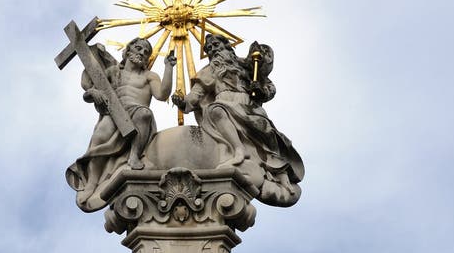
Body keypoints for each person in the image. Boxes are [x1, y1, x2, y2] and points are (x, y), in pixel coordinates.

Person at [172, 34, 304, 206]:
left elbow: (269, 87)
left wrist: (260, 89)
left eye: (216, 45)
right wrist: (183, 103)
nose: (213, 50)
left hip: (249, 107)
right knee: (216, 110)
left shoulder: (246, 65)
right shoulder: (209, 70)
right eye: (209, 48)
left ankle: (281, 175)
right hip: (223, 103)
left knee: (267, 132)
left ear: (227, 46)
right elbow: (195, 95)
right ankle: (238, 150)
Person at [67, 39, 176, 210]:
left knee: (144, 114)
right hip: (113, 113)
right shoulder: (113, 72)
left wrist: (169, 68)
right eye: (138, 48)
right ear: (128, 50)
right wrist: (94, 92)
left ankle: (134, 156)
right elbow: (88, 93)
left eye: (146, 52)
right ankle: (92, 182)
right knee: (100, 136)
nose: (141, 53)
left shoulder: (149, 76)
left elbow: (162, 94)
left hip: (136, 112)